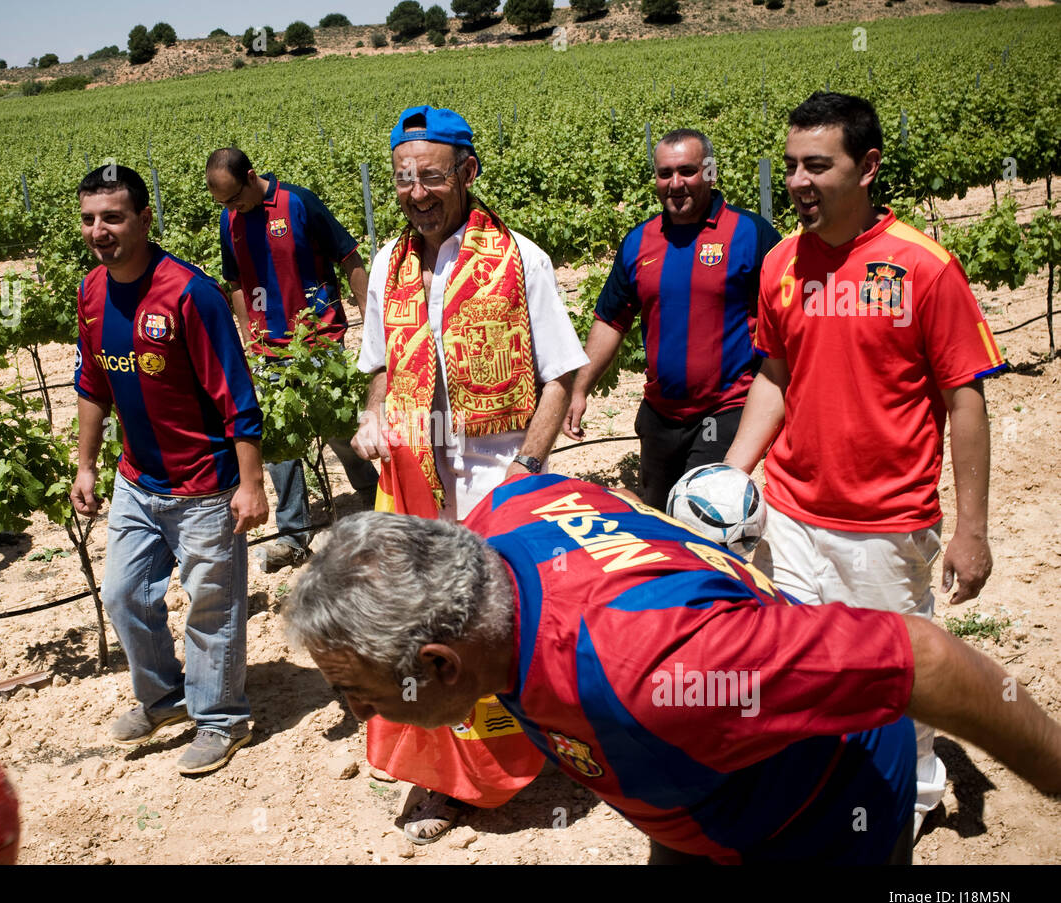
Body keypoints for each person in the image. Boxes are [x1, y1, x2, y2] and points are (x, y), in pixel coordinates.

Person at [284, 475, 1061, 863]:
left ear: (439, 664)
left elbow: (923, 657)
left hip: (822, 819)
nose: (363, 716)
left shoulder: (657, 675)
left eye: (362, 694)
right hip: (708, 799)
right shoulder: (510, 509)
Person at [723, 92, 1007, 837]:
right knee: (801, 667)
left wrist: (971, 529)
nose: (797, 182)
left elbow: (965, 398)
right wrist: (732, 473)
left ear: (868, 166)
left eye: (818, 165)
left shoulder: (924, 267)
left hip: (887, 522)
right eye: (789, 166)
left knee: (896, 678)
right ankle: (827, 787)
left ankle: (906, 801)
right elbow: (773, 376)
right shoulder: (782, 262)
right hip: (790, 513)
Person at [349, 105, 589, 842]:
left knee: (500, 630)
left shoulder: (521, 259)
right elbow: (380, 368)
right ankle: (440, 780)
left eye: (430, 176)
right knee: (419, 631)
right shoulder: (388, 264)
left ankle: (524, 755)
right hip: (416, 483)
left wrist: (527, 470)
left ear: (467, 173)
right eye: (402, 178)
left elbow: (560, 376)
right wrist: (370, 417)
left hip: (498, 480)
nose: (416, 192)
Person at [70, 164, 268, 776]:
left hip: (205, 485)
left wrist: (252, 483)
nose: (99, 231)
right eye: (88, 218)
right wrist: (85, 462)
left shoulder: (190, 293)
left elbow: (236, 394)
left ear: (143, 219)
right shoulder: (92, 292)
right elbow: (92, 384)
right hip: (137, 479)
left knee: (212, 607)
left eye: (112, 217)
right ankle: (165, 698)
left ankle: (222, 718)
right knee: (125, 594)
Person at [563, 130, 781, 511]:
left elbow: (785, 320)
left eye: (687, 171)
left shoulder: (751, 234)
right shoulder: (639, 241)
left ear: (710, 173)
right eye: (665, 174)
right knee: (660, 517)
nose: (675, 184)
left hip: (725, 410)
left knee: (702, 517)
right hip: (660, 415)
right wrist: (579, 389)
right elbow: (612, 320)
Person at [205, 148, 379, 571]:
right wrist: (249, 334)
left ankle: (375, 504)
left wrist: (373, 321)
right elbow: (235, 283)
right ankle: (293, 535)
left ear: (250, 176)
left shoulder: (297, 203)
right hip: (268, 346)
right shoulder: (230, 220)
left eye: (233, 198)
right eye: (222, 203)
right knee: (279, 442)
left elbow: (348, 256)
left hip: (318, 338)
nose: (230, 208)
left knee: (339, 428)